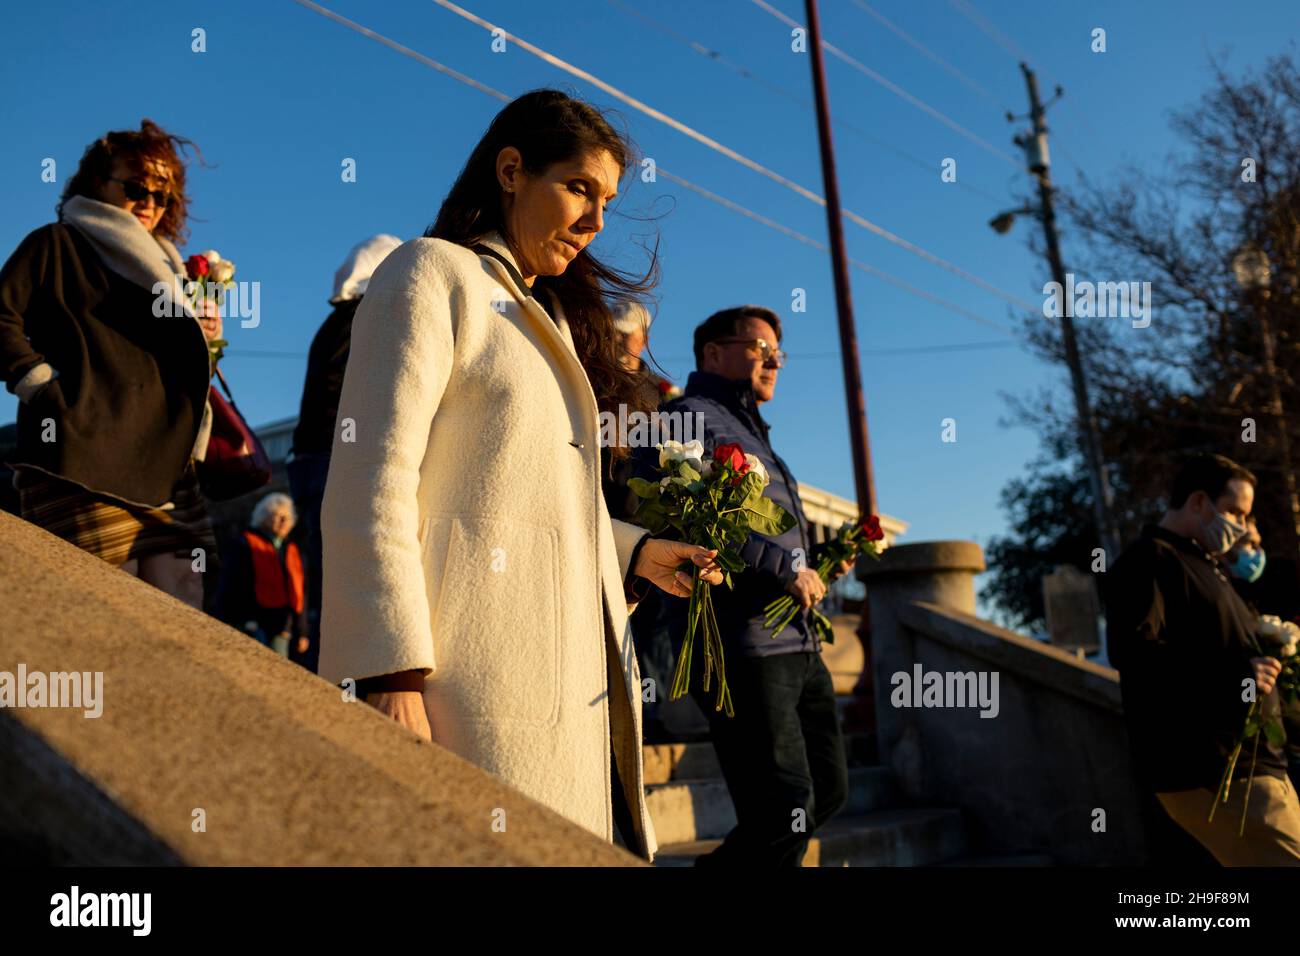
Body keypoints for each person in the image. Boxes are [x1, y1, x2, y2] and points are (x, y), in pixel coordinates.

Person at [318, 89, 722, 861]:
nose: (596, 220)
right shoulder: (430, 273)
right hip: (466, 687)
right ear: (511, 171)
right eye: (579, 188)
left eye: (606, 200)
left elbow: (527, 504)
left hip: (567, 690)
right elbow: (371, 474)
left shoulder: (551, 325)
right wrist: (389, 672)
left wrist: (632, 550)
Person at [636, 304, 851, 866]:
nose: (774, 360)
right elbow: (688, 519)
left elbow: (770, 536)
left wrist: (822, 560)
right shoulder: (685, 416)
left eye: (779, 351)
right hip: (744, 648)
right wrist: (785, 570)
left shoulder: (754, 433)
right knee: (784, 810)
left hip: (801, 645)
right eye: (760, 348)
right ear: (713, 352)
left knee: (826, 793)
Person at [0, 119, 220, 608]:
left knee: (183, 605)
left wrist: (203, 338)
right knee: (102, 608)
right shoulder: (56, 243)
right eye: (136, 187)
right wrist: (42, 387)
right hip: (84, 457)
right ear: (98, 180)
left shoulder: (170, 267)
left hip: (167, 466)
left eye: (162, 196)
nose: (148, 203)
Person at [1106, 453, 1300, 865]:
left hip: (1254, 768)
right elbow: (1134, 654)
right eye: (1234, 512)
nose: (1242, 526)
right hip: (1219, 773)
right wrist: (1235, 674)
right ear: (1198, 501)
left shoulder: (1204, 565)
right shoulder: (1150, 560)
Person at [287, 234, 402, 673]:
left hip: (310, 458)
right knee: (342, 572)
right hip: (331, 459)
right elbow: (343, 390)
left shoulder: (333, 319)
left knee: (325, 571)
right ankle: (332, 674)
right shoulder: (362, 316)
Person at [214, 492, 309, 661]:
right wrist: (241, 618)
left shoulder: (292, 550)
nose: (284, 521)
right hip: (251, 622)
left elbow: (300, 592)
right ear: (264, 517)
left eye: (287, 517)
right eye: (278, 516)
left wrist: (302, 631)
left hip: (283, 625)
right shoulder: (244, 543)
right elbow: (232, 584)